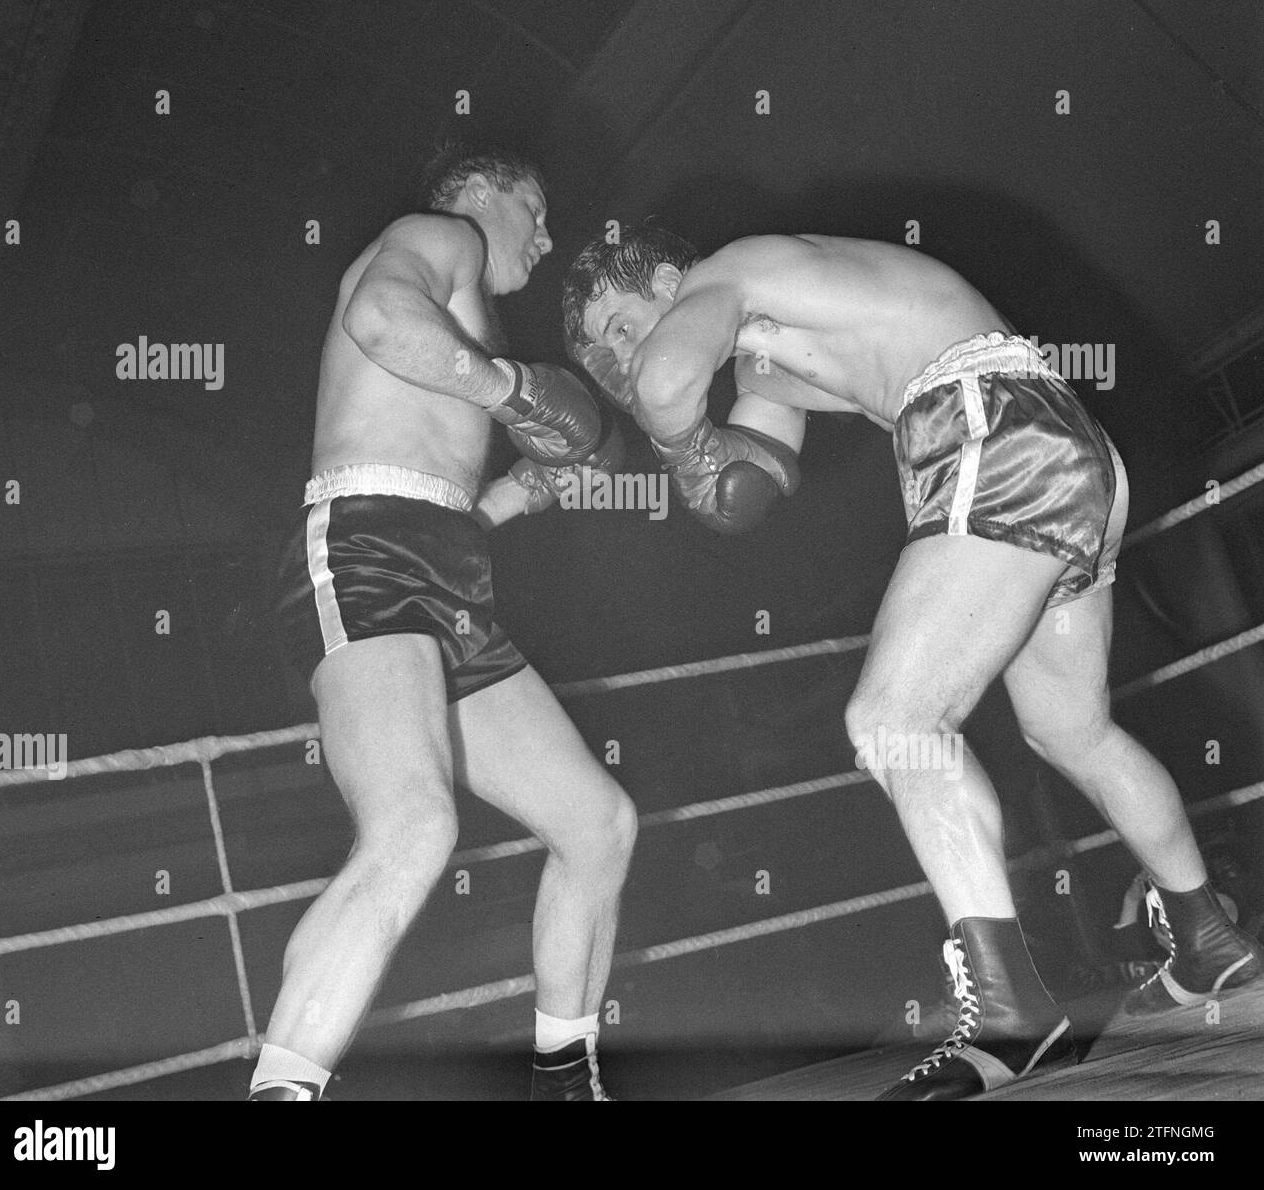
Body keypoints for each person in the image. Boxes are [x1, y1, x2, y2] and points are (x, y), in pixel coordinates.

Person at [560, 223, 1263, 1101]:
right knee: (1070, 727)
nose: (618, 355)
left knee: (894, 721)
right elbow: (744, 489)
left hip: (987, 432)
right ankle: (1207, 938)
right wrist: (695, 464)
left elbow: (668, 380)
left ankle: (1012, 1013)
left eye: (620, 325)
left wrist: (664, 434)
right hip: (1055, 450)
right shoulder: (765, 358)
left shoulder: (727, 272)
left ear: (667, 278)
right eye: (600, 354)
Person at [260, 146, 636, 1101]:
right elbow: (379, 320)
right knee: (413, 827)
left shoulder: (469, 314)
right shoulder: (436, 238)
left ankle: (564, 1078)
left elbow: (453, 497)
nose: (547, 240)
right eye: (536, 210)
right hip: (368, 547)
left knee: (596, 822)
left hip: (444, 567)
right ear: (481, 193)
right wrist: (513, 393)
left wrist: (531, 485)